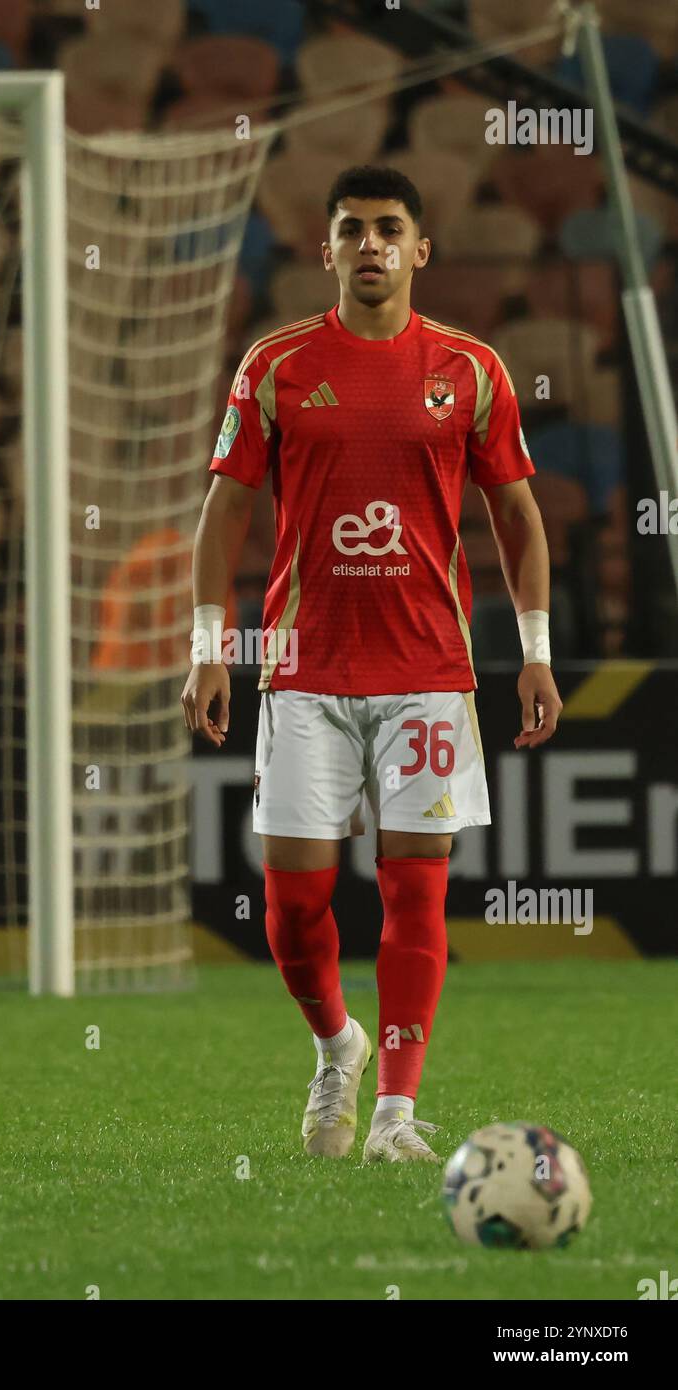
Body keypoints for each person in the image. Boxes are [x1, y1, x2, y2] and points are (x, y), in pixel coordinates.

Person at [181, 165, 562, 1163]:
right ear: (329, 249)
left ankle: (395, 1111)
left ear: (420, 249)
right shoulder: (276, 365)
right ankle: (333, 1045)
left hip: (430, 671)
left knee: (415, 893)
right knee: (293, 909)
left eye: (390, 228)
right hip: (305, 671)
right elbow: (224, 510)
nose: (371, 245)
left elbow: (517, 514)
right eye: (351, 229)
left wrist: (534, 650)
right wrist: (209, 645)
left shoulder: (472, 370)